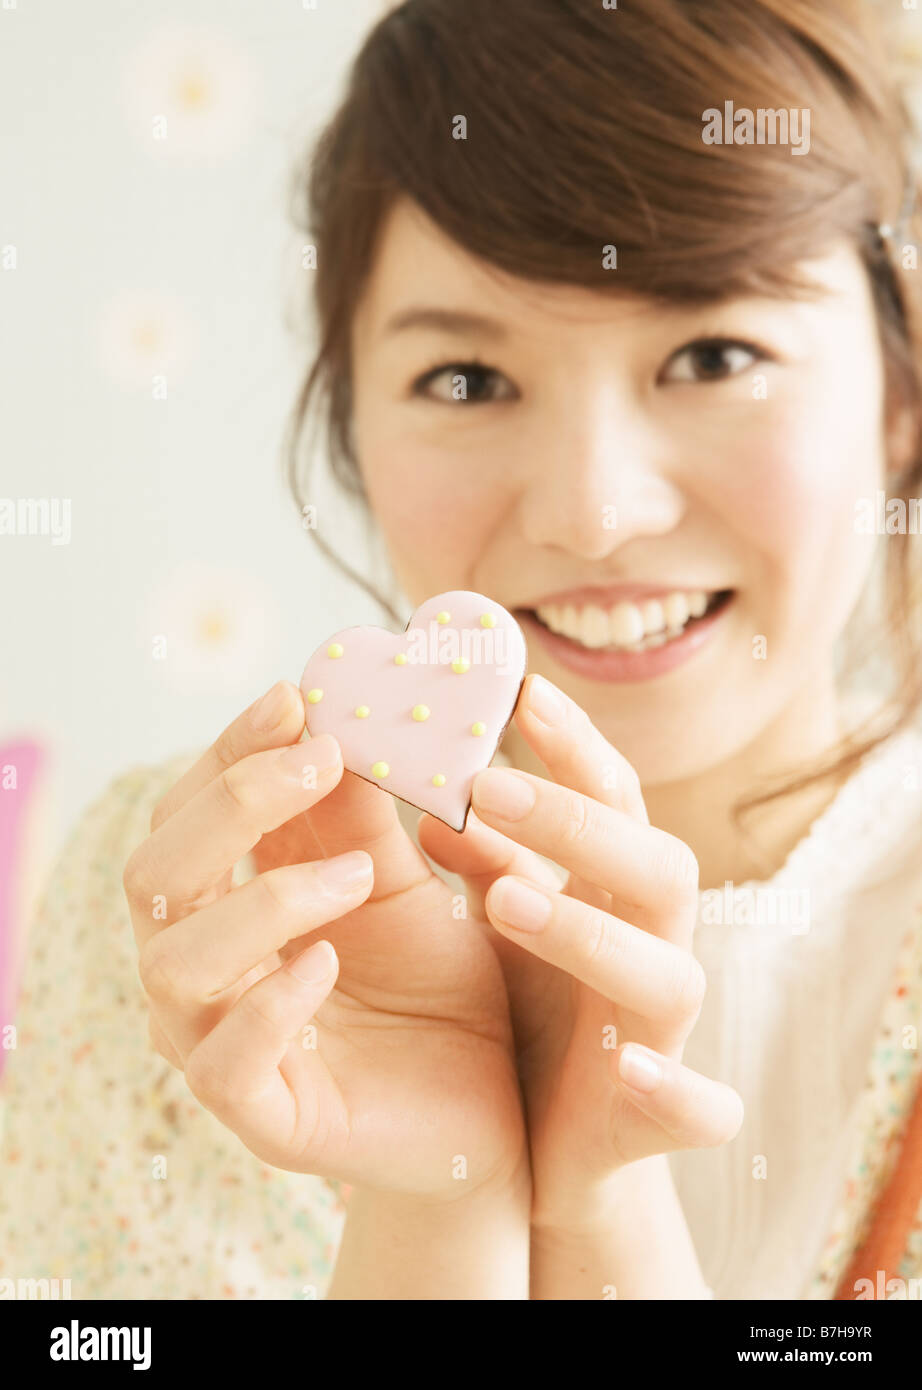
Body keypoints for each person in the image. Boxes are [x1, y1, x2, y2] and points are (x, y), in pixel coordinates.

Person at [2, 0, 921, 1300]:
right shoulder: (182, 905)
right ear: (351, 422)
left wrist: (598, 1210)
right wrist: (437, 1200)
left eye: (713, 354)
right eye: (467, 380)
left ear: (900, 387)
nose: (592, 511)